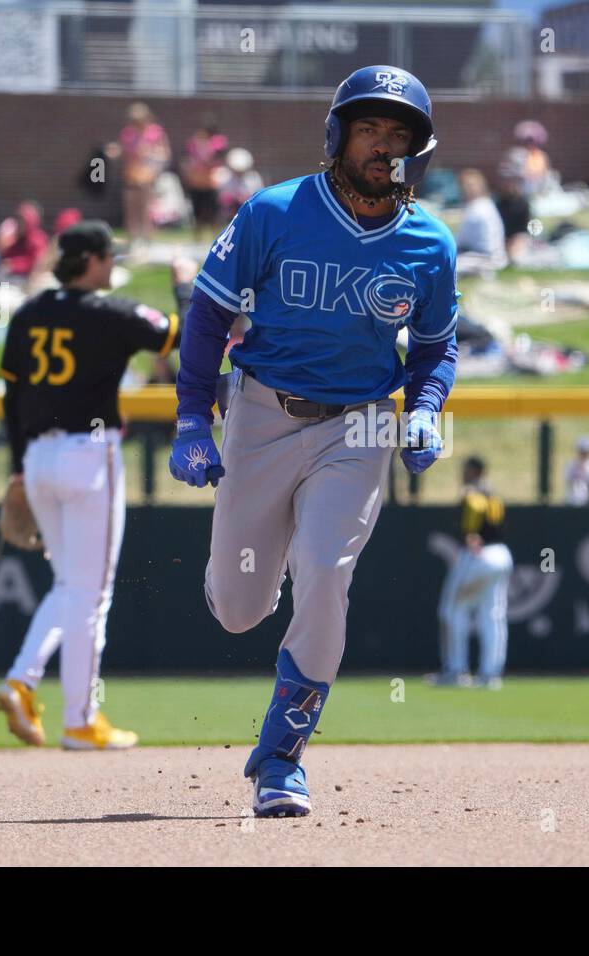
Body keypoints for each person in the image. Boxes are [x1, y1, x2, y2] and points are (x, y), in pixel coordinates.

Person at [169, 66, 458, 818]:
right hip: (262, 410)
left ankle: (281, 759)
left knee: (326, 572)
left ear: (415, 154)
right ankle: (232, 579)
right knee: (238, 608)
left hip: (361, 421)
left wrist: (425, 408)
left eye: (397, 135)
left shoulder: (430, 242)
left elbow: (435, 348)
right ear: (338, 134)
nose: (382, 146)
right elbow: (206, 315)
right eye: (369, 129)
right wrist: (193, 419)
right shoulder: (274, 211)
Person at [0, 220, 183, 751]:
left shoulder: (30, 313)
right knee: (92, 593)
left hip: (36, 457)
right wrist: (186, 288)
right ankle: (80, 719)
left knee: (69, 586)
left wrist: (16, 467)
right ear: (95, 261)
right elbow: (185, 337)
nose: (111, 266)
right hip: (88, 456)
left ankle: (21, 681)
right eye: (108, 257)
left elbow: (10, 399)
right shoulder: (112, 311)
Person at [435, 457, 512, 689]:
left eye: (467, 469)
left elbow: (474, 509)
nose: (463, 473)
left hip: (479, 554)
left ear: (475, 471)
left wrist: (471, 534)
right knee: (493, 615)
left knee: (452, 610)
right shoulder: (494, 493)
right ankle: (491, 674)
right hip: (501, 554)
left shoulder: (473, 492)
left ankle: (456, 670)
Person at [106, 102, 171, 253]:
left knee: (146, 212)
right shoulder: (128, 133)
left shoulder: (155, 133)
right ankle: (133, 242)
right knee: (131, 211)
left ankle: (147, 242)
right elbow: (123, 150)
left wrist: (151, 154)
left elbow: (165, 154)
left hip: (148, 177)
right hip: (131, 177)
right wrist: (114, 151)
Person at [454, 168, 507, 274]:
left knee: (445, 265)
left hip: (484, 258)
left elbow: (461, 241)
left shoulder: (476, 209)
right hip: (497, 256)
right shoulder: (487, 203)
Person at [182, 114, 229, 228]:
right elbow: (188, 159)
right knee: (197, 210)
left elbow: (219, 157)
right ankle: (198, 236)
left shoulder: (218, 142)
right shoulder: (194, 143)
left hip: (212, 182)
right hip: (197, 181)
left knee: (213, 211)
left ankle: (214, 234)